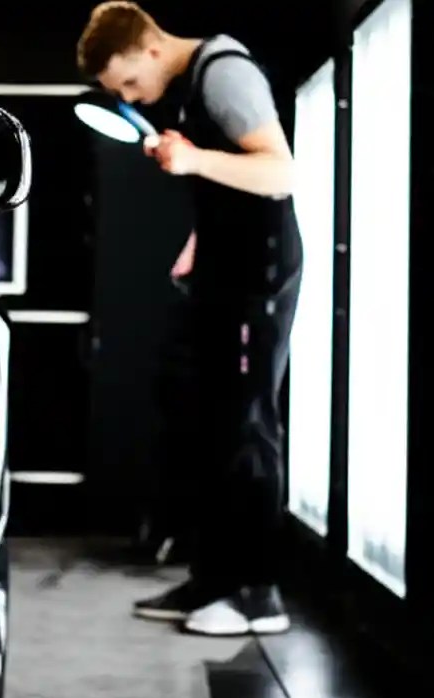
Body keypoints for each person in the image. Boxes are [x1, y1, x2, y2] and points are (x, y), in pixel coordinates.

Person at [77, 1, 304, 636]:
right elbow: (231, 189)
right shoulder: (188, 87)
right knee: (206, 422)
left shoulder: (223, 72)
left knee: (246, 425)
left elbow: (280, 170)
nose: (132, 97)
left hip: (257, 278)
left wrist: (195, 160)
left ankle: (258, 595)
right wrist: (201, 240)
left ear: (149, 49)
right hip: (224, 271)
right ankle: (215, 579)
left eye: (127, 83)